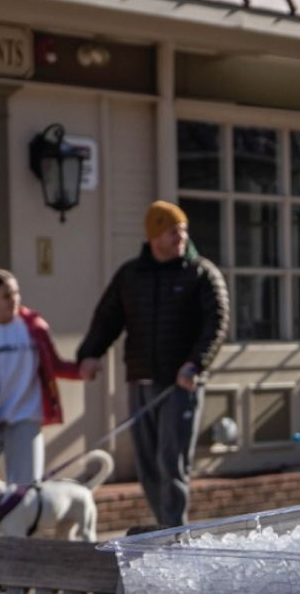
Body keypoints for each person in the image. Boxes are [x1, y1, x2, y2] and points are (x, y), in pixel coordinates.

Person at [77, 200, 229, 527]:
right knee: (147, 463)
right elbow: (107, 319)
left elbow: (216, 324)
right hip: (141, 380)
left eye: (184, 230)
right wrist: (90, 354)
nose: (182, 237)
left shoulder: (201, 273)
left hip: (180, 384)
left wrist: (195, 364)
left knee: (170, 462)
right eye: (174, 231)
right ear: (155, 235)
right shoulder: (131, 276)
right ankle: (163, 527)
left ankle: (174, 530)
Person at [0, 269, 82, 485]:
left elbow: (53, 364)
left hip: (26, 417)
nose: (13, 300)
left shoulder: (33, 327)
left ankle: (22, 520)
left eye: (16, 293)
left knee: (26, 489)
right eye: (6, 296)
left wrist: (81, 371)